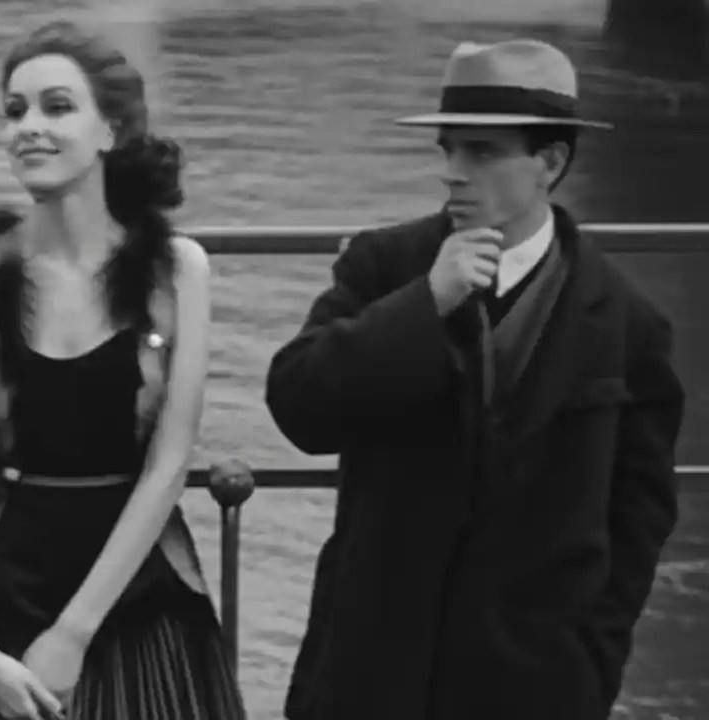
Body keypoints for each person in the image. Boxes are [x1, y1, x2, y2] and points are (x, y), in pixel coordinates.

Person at [265, 39, 684, 720]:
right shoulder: (385, 267)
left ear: (550, 162)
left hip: (534, 686)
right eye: (449, 150)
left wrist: (590, 667)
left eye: (483, 152)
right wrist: (423, 304)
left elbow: (639, 518)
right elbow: (299, 407)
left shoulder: (629, 325)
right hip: (370, 673)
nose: (454, 173)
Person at [0, 20, 246, 720]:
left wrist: (74, 632)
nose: (29, 127)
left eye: (57, 107)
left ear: (111, 129)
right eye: (15, 110)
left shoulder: (177, 269)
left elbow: (169, 465)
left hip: (138, 596)